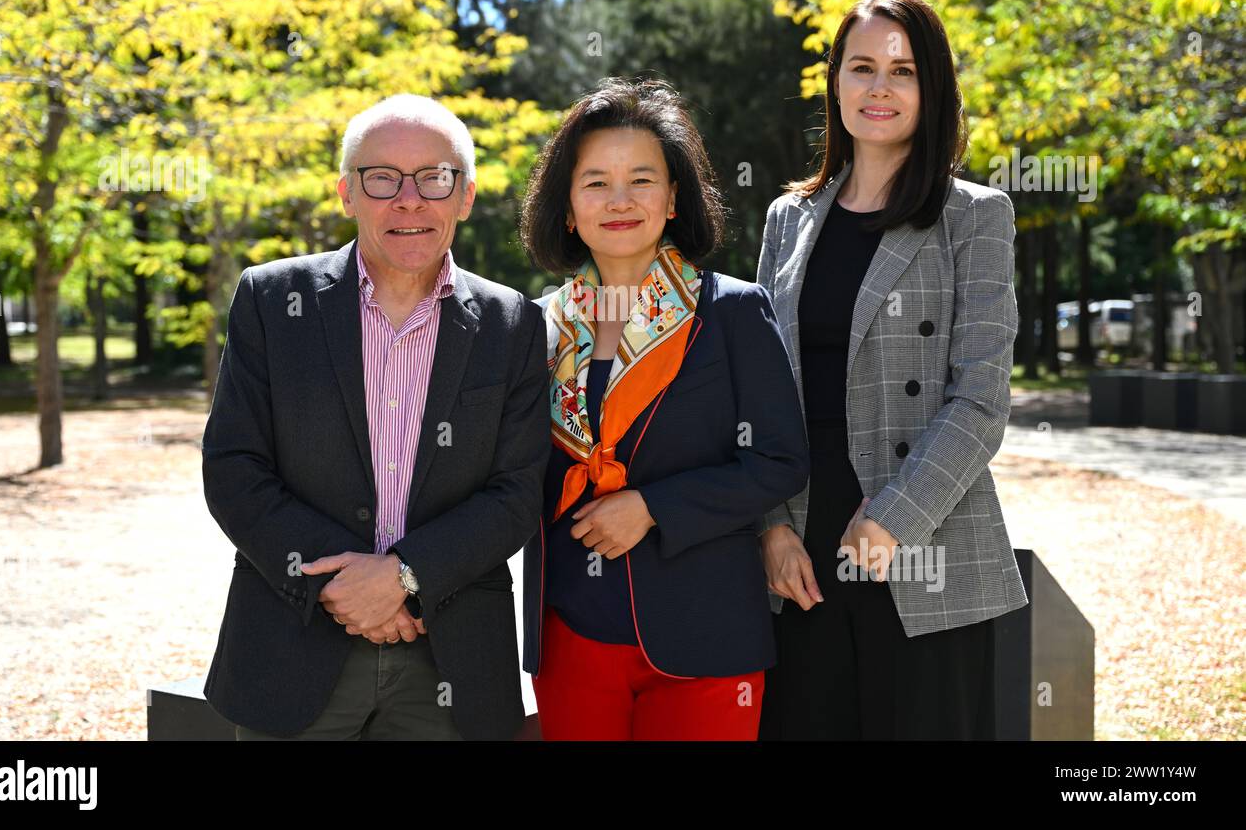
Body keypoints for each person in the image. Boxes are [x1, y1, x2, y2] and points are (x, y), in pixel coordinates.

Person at [201, 94, 549, 740]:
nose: (409, 200)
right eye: (382, 177)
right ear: (346, 192)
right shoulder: (272, 302)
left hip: (451, 656)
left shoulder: (513, 323)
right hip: (294, 642)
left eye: (434, 178)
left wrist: (404, 576)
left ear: (465, 196)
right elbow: (234, 470)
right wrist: (346, 585)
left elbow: (517, 492)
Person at [756, 0, 1029, 740]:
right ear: (835, 81)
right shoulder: (789, 218)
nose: (879, 87)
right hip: (802, 558)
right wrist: (771, 530)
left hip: (922, 551)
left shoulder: (974, 215)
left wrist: (890, 523)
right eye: (862, 67)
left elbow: (980, 401)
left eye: (903, 71)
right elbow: (759, 391)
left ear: (931, 88)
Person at [518, 77, 810, 740]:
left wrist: (653, 508)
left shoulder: (732, 311)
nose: (619, 200)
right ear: (566, 207)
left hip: (706, 633)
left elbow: (779, 462)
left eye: (641, 179)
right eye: (595, 182)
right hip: (571, 631)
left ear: (674, 197)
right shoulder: (538, 328)